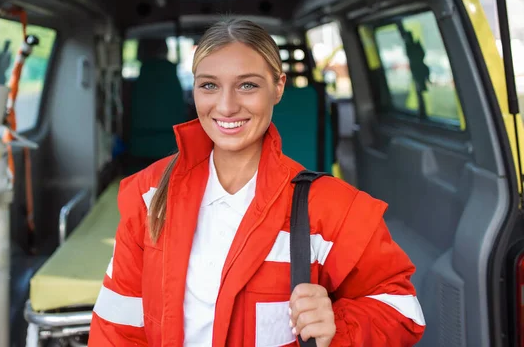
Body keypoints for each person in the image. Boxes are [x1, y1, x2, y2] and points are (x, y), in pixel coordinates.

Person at [88, 19, 425, 346]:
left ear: (278, 87)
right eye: (209, 85)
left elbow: (401, 311)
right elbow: (118, 328)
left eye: (247, 84)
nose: (227, 106)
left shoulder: (331, 208)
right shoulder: (149, 193)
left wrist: (339, 327)